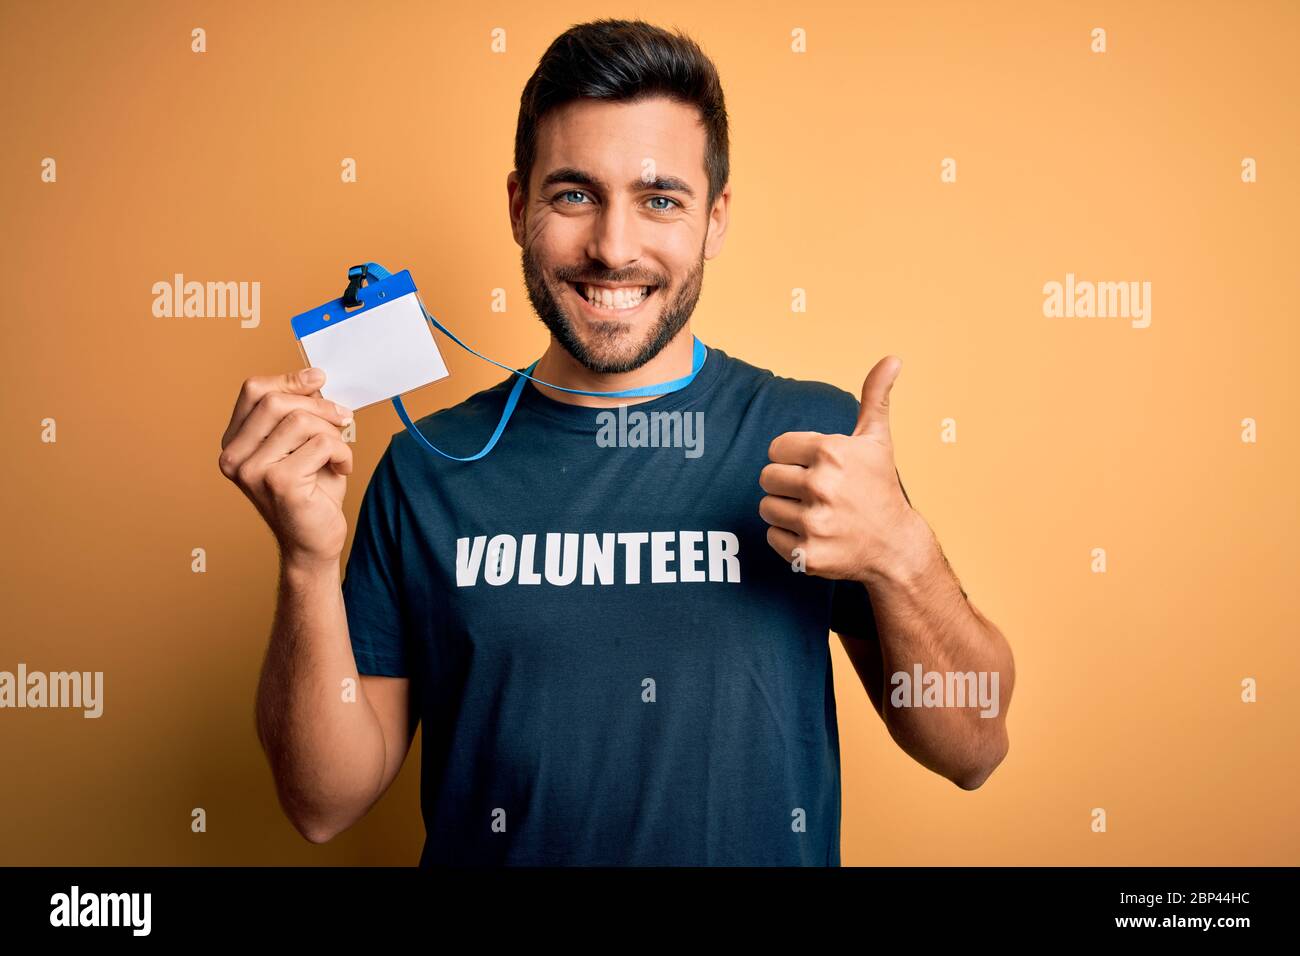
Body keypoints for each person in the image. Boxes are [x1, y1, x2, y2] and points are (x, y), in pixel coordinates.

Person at [218, 18, 1014, 866]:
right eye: (574, 195)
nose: (613, 247)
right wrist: (304, 561)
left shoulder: (815, 444)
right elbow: (321, 805)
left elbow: (972, 748)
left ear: (715, 218)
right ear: (520, 205)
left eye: (660, 199)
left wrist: (902, 553)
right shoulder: (425, 471)